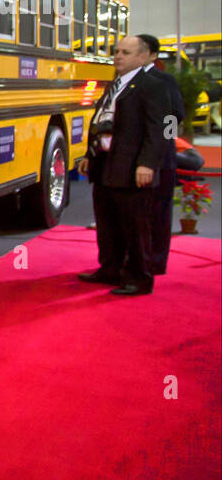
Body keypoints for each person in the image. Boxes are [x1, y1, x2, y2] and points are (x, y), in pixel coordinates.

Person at [76, 34, 171, 295]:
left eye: (125, 52)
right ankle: (110, 269)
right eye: (116, 51)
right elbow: (100, 122)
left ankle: (139, 277)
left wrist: (150, 163)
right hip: (105, 163)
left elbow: (162, 129)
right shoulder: (114, 85)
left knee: (134, 226)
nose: (118, 56)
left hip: (133, 168)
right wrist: (89, 154)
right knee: (107, 224)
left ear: (143, 57)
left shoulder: (153, 85)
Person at [137, 33, 187, 275]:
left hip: (159, 157)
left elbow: (175, 114)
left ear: (151, 56)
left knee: (158, 212)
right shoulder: (124, 81)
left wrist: (164, 142)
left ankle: (156, 262)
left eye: (135, 51)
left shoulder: (164, 80)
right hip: (132, 158)